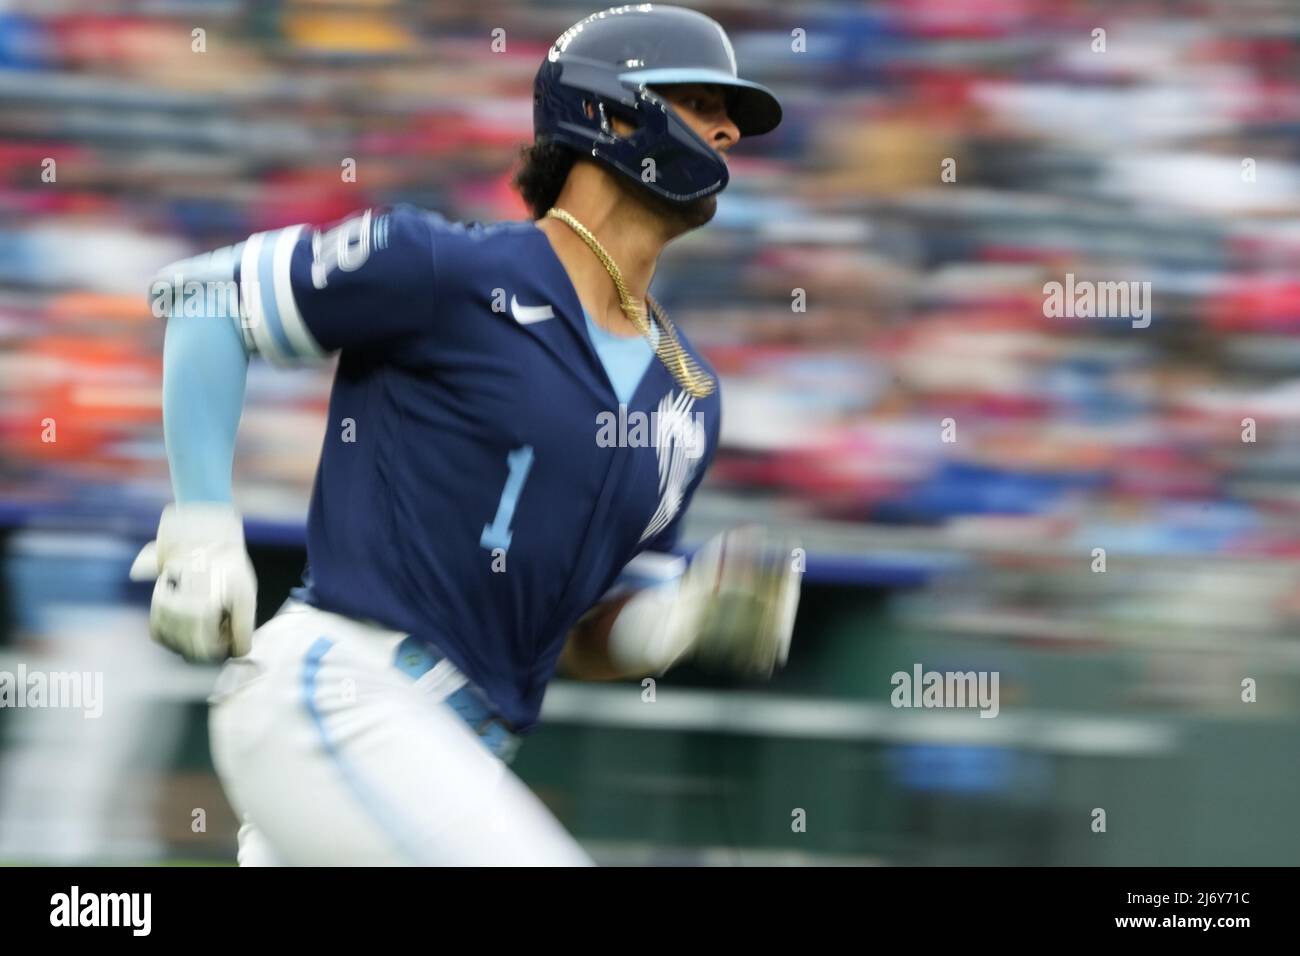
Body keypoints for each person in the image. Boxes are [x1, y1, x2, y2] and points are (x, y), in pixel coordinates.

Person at [131, 3, 802, 865]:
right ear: (608, 108)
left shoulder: (690, 395)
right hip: (344, 693)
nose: (725, 131)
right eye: (701, 101)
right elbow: (208, 300)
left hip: (454, 758)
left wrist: (682, 620)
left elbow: (585, 633)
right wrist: (201, 523)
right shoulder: (447, 269)